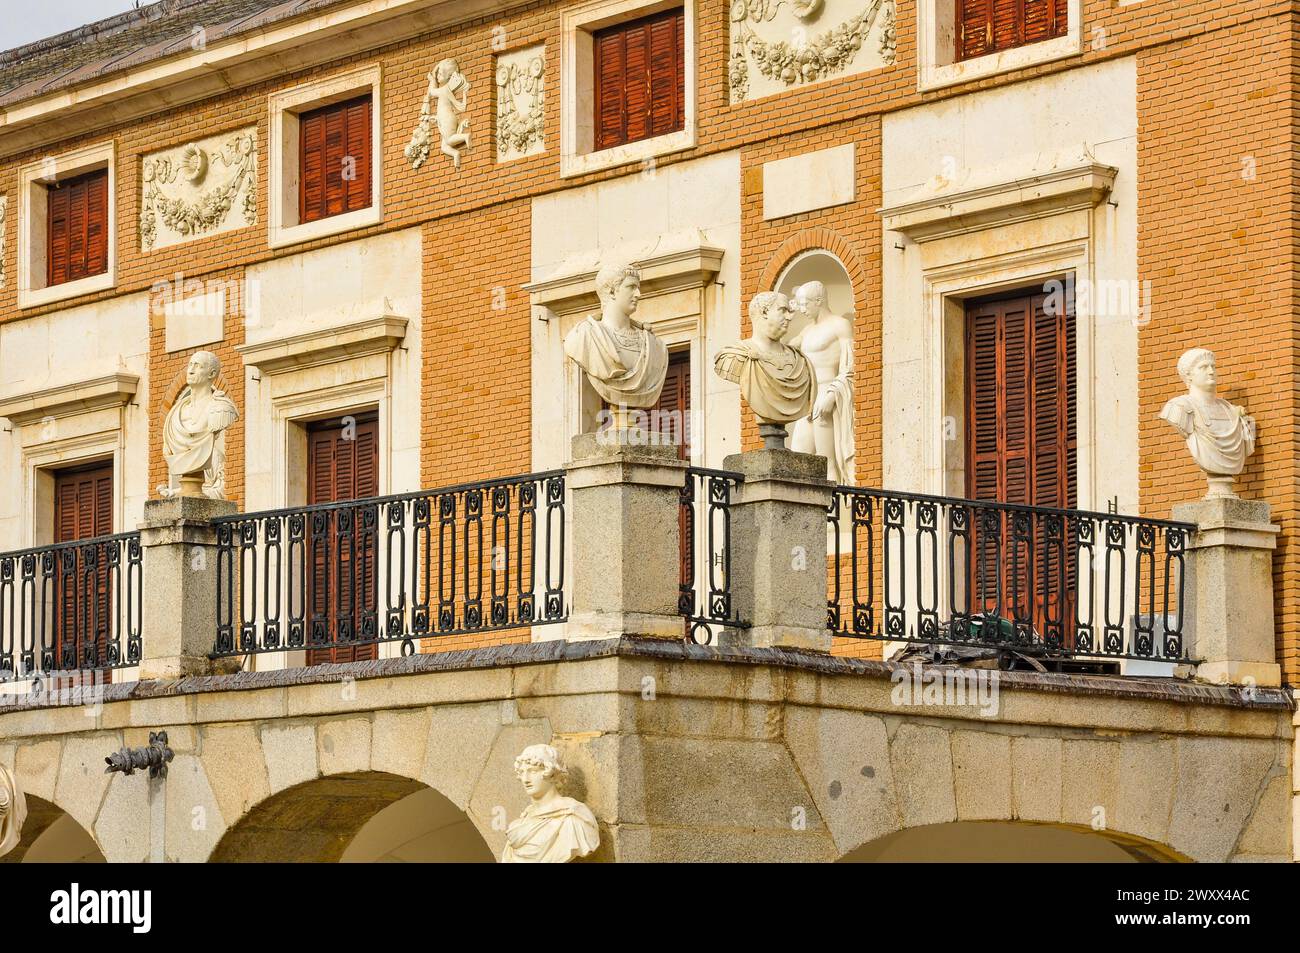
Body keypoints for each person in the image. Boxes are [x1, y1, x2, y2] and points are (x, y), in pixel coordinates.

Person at [563, 261, 669, 423]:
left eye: (638, 288)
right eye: (631, 287)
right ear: (612, 291)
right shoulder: (583, 337)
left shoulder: (655, 346)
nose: (638, 294)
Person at [714, 291, 815, 445]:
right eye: (783, 310)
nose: (789, 317)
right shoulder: (734, 355)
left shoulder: (800, 361)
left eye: (790, 311)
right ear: (764, 312)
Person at [1159, 347, 1256, 499]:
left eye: (1213, 367)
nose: (1211, 371)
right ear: (1189, 375)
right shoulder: (1179, 407)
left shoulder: (1229, 409)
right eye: (1204, 367)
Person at [789, 280, 855, 483]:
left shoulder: (840, 325)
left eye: (805, 304)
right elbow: (785, 351)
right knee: (797, 459)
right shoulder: (806, 331)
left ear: (818, 301)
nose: (802, 309)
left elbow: (850, 366)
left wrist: (833, 394)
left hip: (827, 391)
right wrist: (787, 316)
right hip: (809, 397)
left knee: (826, 462)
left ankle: (833, 512)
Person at [157, 350, 239, 500]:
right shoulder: (175, 413)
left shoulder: (221, 408)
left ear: (211, 373)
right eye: (190, 365)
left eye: (198, 366)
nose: (191, 370)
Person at [501, 744, 600, 863]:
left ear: (552, 773)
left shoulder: (574, 820)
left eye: (533, 771)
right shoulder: (521, 823)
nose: (525, 779)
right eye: (522, 772)